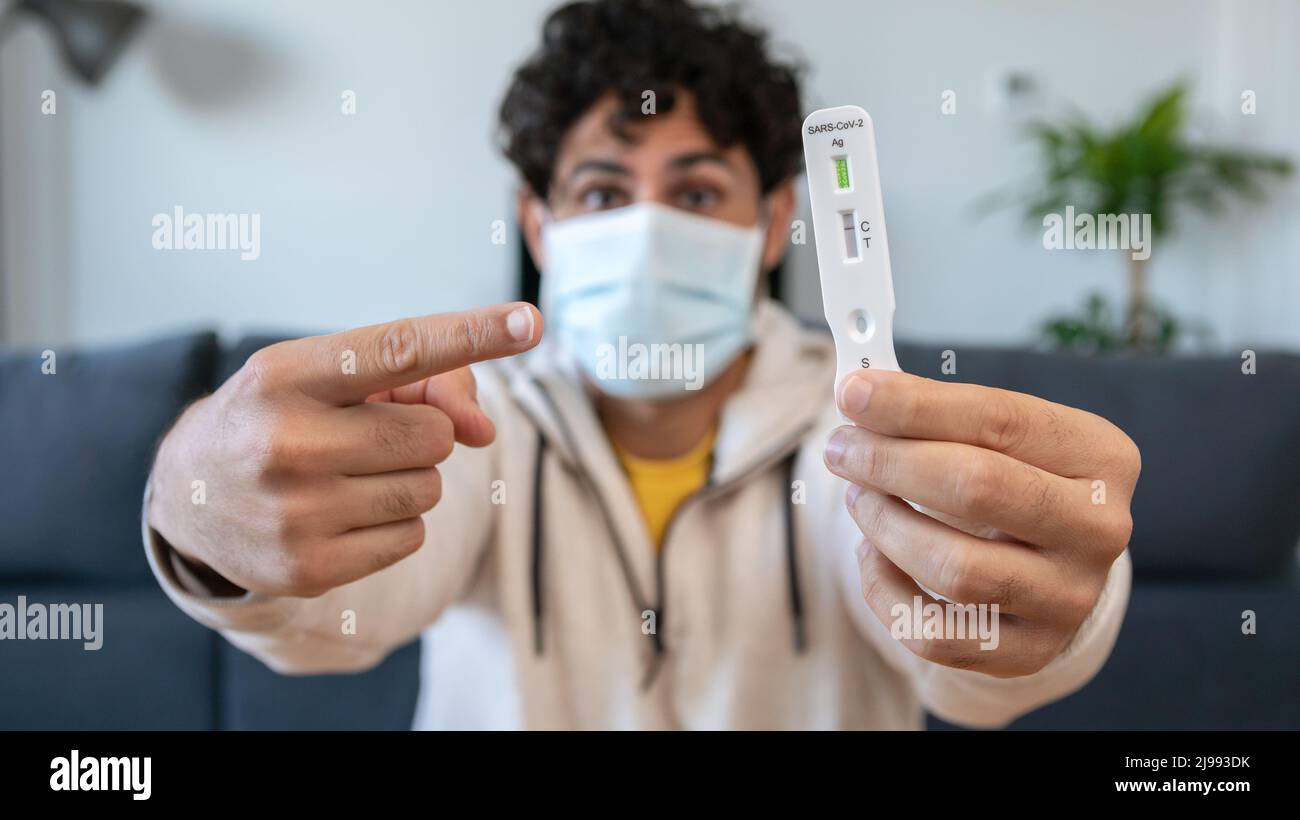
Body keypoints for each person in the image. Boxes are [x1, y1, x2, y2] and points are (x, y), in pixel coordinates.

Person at [143, 0, 1139, 729]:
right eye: (603, 192)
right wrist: (205, 519)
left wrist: (1051, 599)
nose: (648, 228)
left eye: (697, 193)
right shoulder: (463, 417)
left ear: (774, 222)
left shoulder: (863, 421)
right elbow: (335, 617)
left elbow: (964, 668)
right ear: (539, 222)